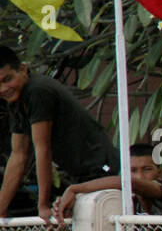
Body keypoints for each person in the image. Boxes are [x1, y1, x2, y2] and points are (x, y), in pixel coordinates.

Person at [0, 44, 117, 221]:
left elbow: (42, 148)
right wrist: (1, 208)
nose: (3, 89)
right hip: (80, 176)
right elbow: (19, 155)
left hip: (101, 171)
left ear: (23, 69)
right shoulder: (16, 99)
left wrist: (43, 204)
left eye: (7, 79)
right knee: (58, 222)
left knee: (56, 220)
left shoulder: (37, 91)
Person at [53, 141, 162, 223]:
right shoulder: (123, 199)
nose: (139, 176)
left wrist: (74, 189)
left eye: (147, 169)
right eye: (133, 170)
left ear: (160, 172)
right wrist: (67, 206)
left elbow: (132, 183)